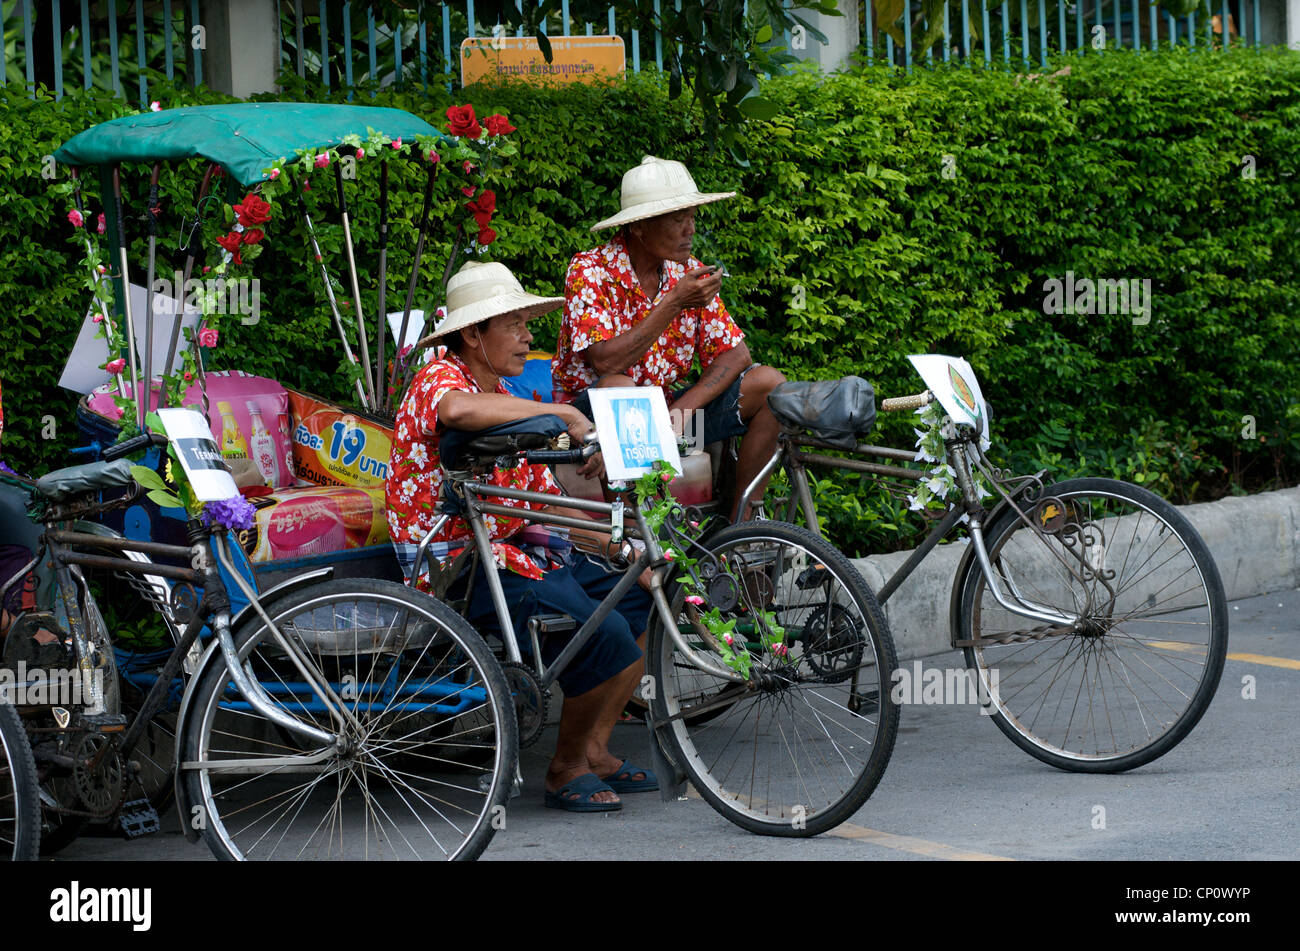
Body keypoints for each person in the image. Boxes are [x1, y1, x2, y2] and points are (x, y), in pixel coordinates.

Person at [385, 261, 657, 813]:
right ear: (472, 334)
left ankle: (595, 750)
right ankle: (563, 769)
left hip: (517, 552)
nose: (528, 335)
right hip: (458, 567)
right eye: (514, 324)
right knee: (597, 633)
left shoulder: (507, 394)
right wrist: (559, 410)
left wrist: (622, 550)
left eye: (526, 323)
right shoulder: (440, 378)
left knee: (634, 596)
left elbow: (545, 506)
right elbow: (457, 411)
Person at [552, 155, 787, 519]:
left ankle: (740, 527)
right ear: (640, 227)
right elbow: (605, 362)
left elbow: (736, 354)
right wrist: (674, 302)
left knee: (769, 383)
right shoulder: (590, 271)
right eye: (679, 219)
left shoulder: (688, 271)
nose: (690, 229)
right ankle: (644, 543)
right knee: (620, 387)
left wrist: (678, 412)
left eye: (692, 216)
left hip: (668, 423)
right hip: (588, 428)